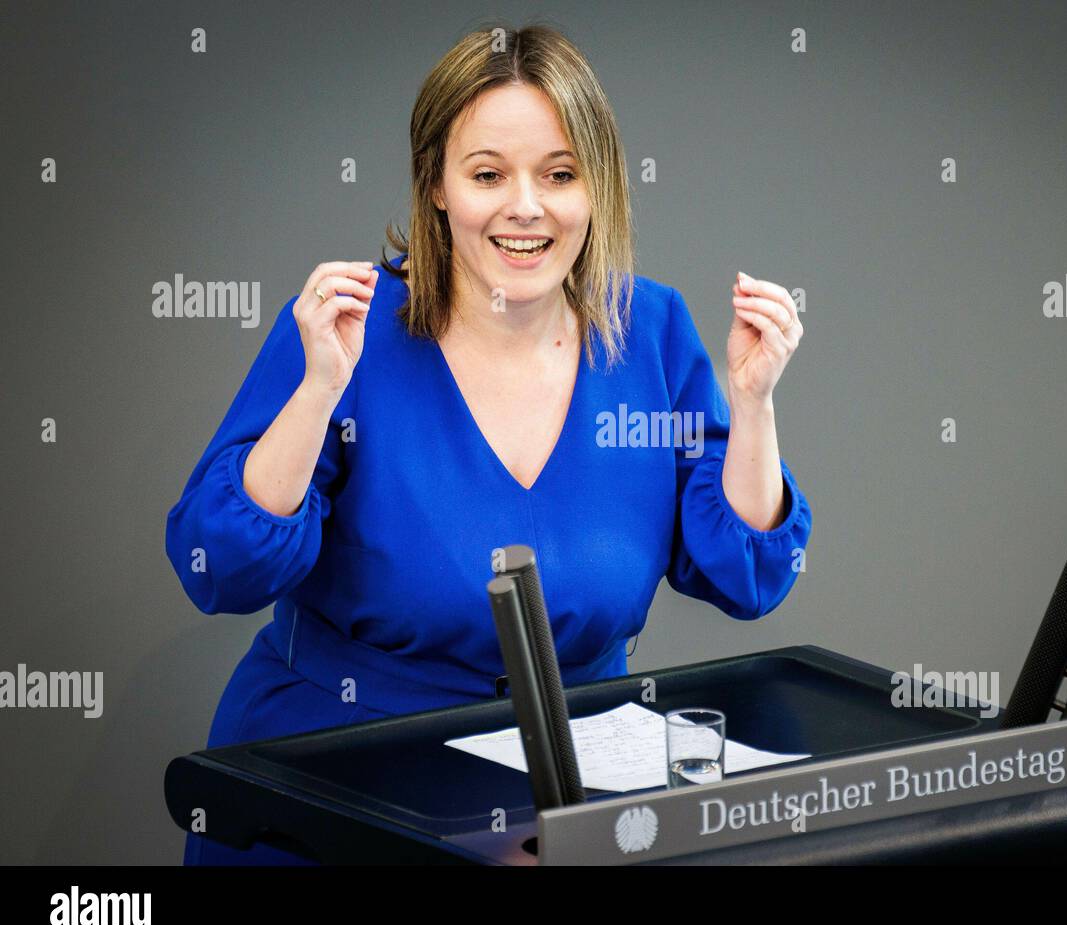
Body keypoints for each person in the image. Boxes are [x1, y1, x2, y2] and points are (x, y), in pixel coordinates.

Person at [164, 23, 812, 865]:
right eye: (487, 174)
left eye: (559, 174)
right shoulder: (350, 328)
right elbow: (219, 568)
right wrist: (320, 388)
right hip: (335, 785)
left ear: (597, 188)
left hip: (566, 791)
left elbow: (748, 575)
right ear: (436, 185)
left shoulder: (649, 331)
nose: (526, 207)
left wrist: (754, 404)